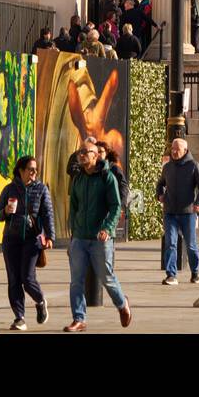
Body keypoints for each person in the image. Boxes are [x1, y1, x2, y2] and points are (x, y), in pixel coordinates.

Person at [63, 141, 131, 332]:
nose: (81, 155)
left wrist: (108, 228)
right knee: (76, 280)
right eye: (80, 152)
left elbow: (116, 206)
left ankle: (122, 304)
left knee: (106, 277)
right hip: (79, 238)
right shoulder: (78, 178)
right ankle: (79, 319)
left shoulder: (107, 177)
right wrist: (73, 236)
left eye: (86, 152)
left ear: (96, 156)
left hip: (100, 238)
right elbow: (74, 207)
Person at [0, 154, 54, 331]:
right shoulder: (9, 190)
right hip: (11, 240)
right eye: (31, 169)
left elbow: (47, 214)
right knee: (14, 279)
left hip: (32, 239)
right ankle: (19, 317)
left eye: (36, 169)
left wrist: (50, 237)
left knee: (27, 278)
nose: (34, 172)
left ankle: (40, 300)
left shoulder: (41, 189)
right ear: (21, 170)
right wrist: (5, 210)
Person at [157, 137, 199, 285]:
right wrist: (160, 194)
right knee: (170, 243)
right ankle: (171, 275)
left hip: (188, 212)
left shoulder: (193, 166)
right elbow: (160, 183)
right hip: (170, 212)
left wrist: (198, 203)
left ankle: (195, 272)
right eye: (172, 149)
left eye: (177, 149)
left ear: (185, 150)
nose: (173, 152)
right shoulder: (167, 167)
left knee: (191, 245)